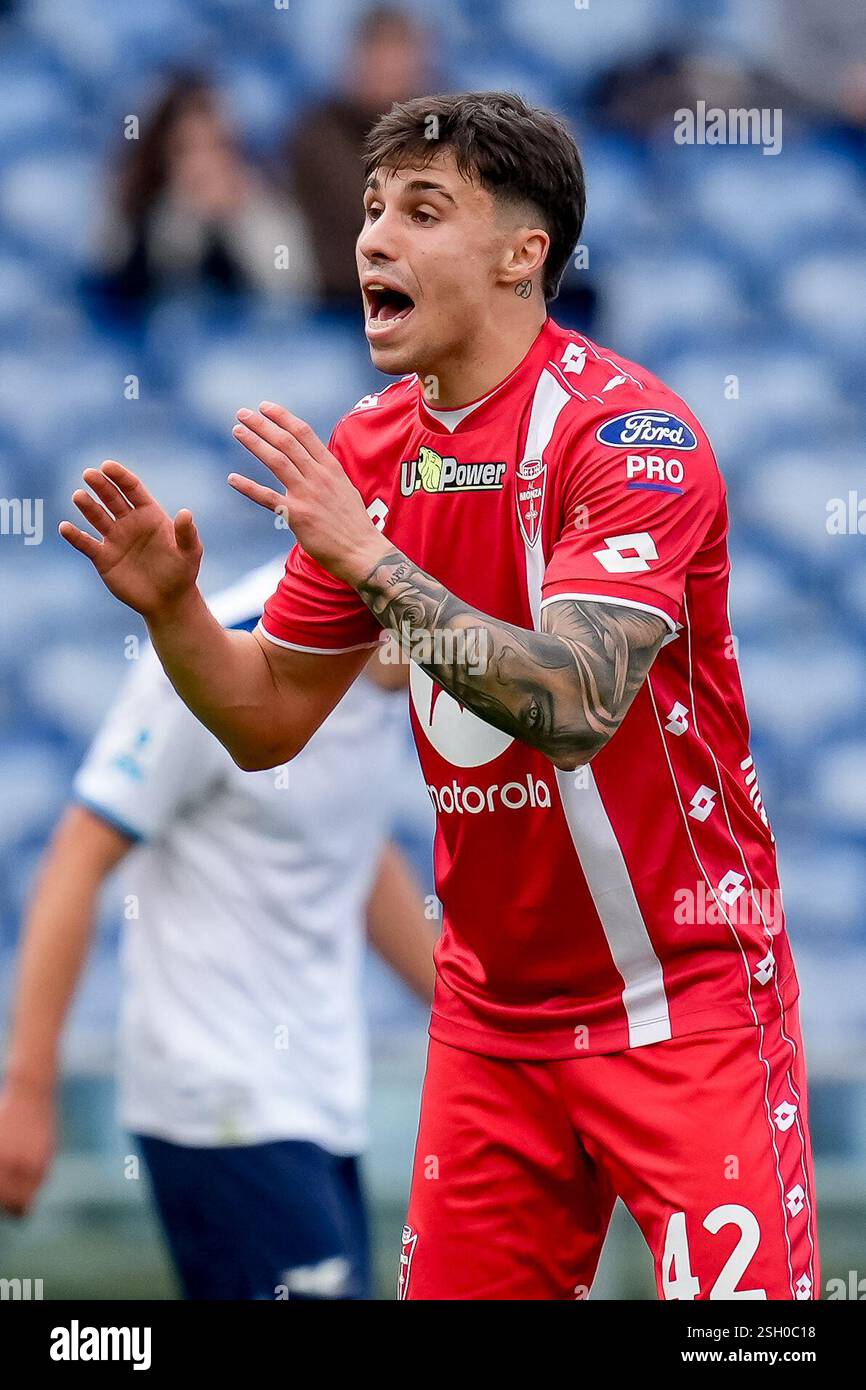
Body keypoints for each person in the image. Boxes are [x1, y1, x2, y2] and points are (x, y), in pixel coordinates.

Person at [59, 91, 819, 1302]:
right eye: (369, 212)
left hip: (685, 1006)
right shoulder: (368, 453)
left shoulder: (631, 440)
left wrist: (370, 561)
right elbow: (264, 723)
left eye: (421, 211)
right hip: (494, 1026)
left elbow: (573, 703)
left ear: (524, 255)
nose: (371, 239)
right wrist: (175, 614)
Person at [0, 555, 434, 1300]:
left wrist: (485, 1016)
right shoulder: (221, 653)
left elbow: (351, 843)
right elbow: (75, 856)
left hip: (320, 1101)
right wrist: (29, 1091)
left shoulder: (400, 660)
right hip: (219, 1100)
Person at [91, 73, 315, 319]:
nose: (204, 163)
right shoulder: (136, 212)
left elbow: (293, 292)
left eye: (217, 146)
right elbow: (130, 286)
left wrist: (246, 221)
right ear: (162, 156)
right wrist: (184, 217)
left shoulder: (264, 206)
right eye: (186, 149)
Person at [287, 6, 429, 308]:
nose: (390, 71)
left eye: (400, 57)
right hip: (334, 299)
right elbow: (366, 211)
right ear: (357, 61)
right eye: (380, 56)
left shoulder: (439, 131)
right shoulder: (319, 133)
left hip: (420, 298)